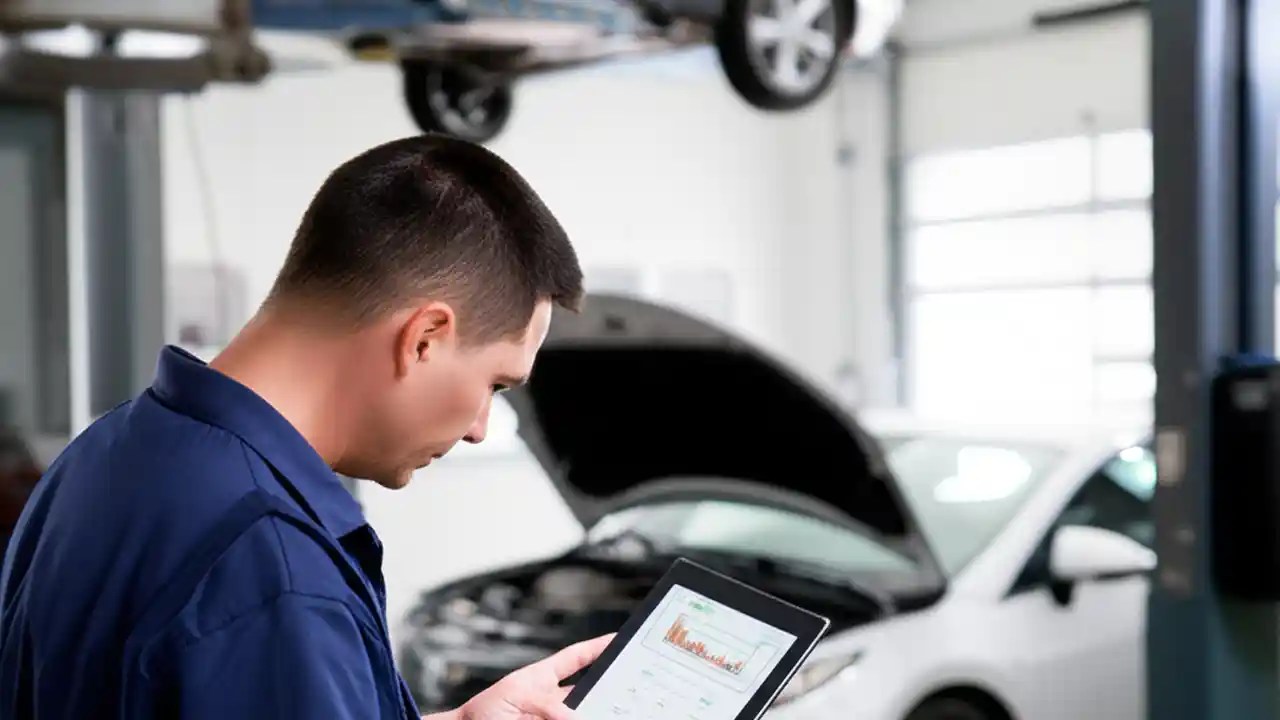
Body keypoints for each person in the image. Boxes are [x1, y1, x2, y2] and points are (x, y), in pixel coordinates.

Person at [0, 134, 608, 719]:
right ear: (424, 337)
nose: (479, 428)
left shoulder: (109, 452)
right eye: (495, 385)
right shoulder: (275, 571)